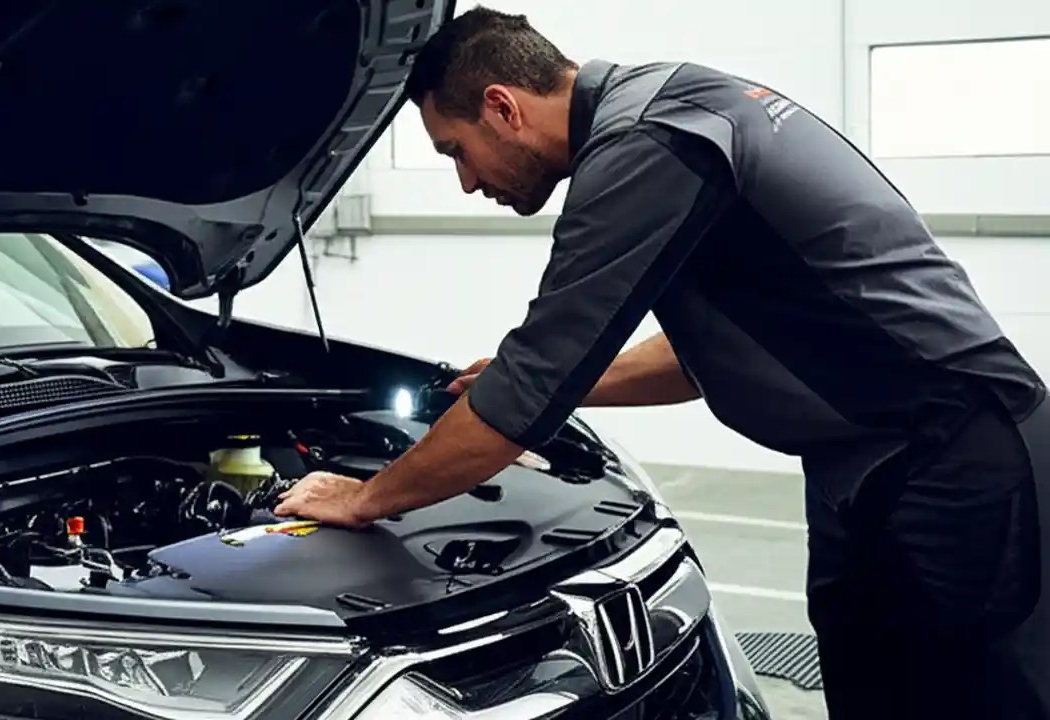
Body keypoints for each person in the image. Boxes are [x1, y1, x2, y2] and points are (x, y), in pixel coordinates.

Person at [273, 6, 1050, 718]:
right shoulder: (672, 107)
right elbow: (697, 353)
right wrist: (544, 386)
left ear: (504, 108)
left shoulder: (649, 143)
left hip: (961, 458)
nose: (468, 180)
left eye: (457, 151)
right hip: (873, 465)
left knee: (973, 699)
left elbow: (531, 388)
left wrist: (367, 498)